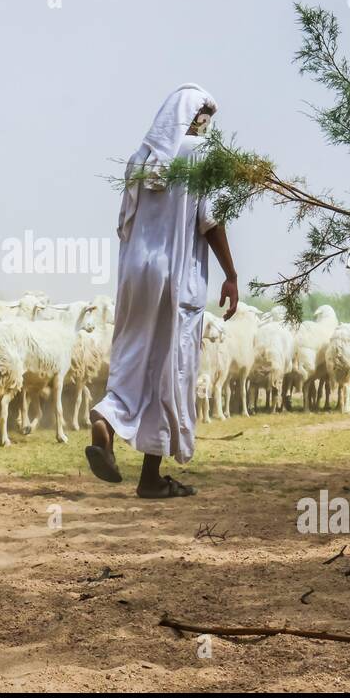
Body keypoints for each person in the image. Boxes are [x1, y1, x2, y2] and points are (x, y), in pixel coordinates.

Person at [85, 84, 239, 499]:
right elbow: (212, 221)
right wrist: (231, 274)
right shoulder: (203, 156)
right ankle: (150, 477)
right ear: (196, 118)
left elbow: (125, 221)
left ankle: (106, 418)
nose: (207, 126)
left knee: (134, 357)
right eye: (205, 118)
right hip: (175, 276)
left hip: (137, 273)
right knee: (171, 368)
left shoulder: (142, 157)